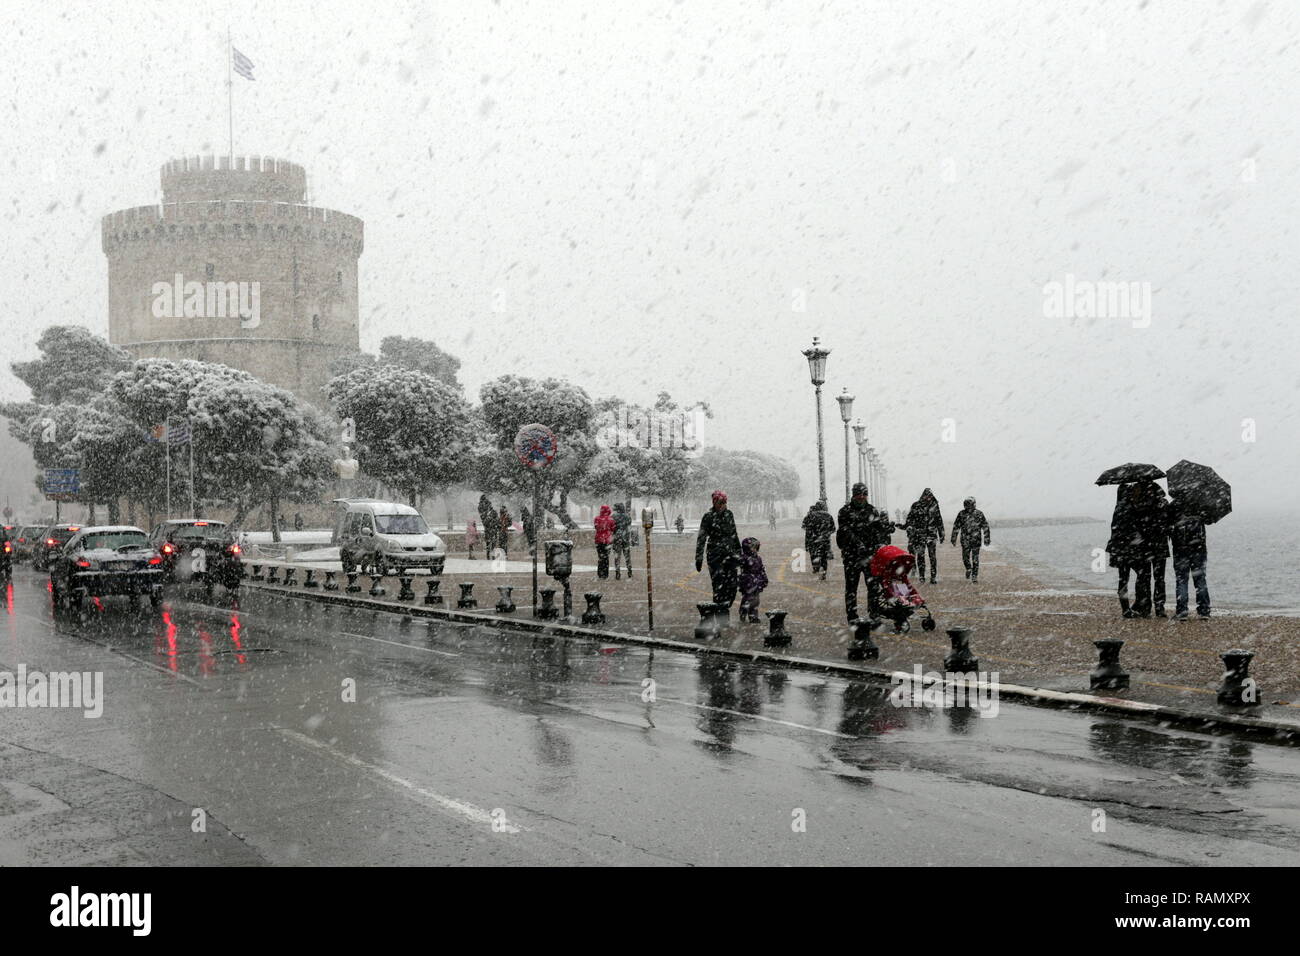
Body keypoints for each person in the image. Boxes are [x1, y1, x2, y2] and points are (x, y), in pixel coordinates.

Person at [836, 482, 896, 623]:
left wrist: (887, 528)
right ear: (853, 495)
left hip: (870, 555)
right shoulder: (844, 511)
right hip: (851, 555)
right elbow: (845, 530)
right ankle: (852, 616)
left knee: (873, 586)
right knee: (851, 587)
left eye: (864, 494)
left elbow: (877, 529)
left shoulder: (871, 510)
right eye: (858, 494)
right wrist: (858, 544)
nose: (861, 497)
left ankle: (874, 613)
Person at [695, 490, 742, 611]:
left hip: (731, 555)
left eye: (724, 502)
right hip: (715, 556)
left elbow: (734, 534)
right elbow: (701, 538)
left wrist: (739, 554)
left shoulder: (729, 514)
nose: (722, 505)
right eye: (720, 502)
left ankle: (725, 606)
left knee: (732, 585)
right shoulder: (708, 517)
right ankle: (720, 614)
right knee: (718, 585)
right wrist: (698, 558)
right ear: (714, 502)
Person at [1167, 495, 1211, 620]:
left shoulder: (1174, 505)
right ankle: (1204, 611)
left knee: (1181, 580)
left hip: (1181, 549)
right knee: (1200, 579)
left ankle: (1182, 611)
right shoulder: (1200, 503)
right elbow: (1209, 519)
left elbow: (1167, 523)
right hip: (1199, 548)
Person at [902, 489, 944, 584]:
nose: (928, 498)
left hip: (932, 535)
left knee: (932, 556)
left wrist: (941, 534)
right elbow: (910, 518)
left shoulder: (935, 506)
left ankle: (933, 577)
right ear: (923, 496)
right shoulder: (916, 505)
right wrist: (907, 526)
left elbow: (939, 520)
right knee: (920, 556)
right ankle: (922, 576)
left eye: (929, 496)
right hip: (919, 535)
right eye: (926, 496)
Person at [950, 497, 991, 583]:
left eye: (970, 505)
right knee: (966, 558)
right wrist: (953, 538)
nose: (969, 507)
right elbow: (956, 526)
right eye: (967, 505)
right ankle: (969, 568)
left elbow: (985, 526)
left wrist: (987, 538)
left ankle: (974, 575)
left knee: (974, 558)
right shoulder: (962, 514)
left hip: (975, 540)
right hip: (967, 540)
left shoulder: (979, 514)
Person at [801, 500, 835, 580]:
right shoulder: (828, 516)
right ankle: (824, 571)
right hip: (824, 540)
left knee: (813, 554)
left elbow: (804, 526)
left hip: (813, 539)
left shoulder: (810, 515)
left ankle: (815, 568)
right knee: (824, 556)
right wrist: (826, 533)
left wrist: (813, 531)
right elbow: (833, 529)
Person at [738, 537, 769, 623]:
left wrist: (764, 578)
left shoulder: (758, 558)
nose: (755, 550)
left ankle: (753, 616)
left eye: (756, 548)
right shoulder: (744, 558)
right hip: (748, 582)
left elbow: (761, 569)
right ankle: (743, 612)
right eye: (753, 547)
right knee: (748, 599)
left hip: (757, 582)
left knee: (756, 601)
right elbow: (740, 563)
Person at [612, 502, 633, 579]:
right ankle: (629, 571)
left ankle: (617, 572)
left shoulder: (613, 516)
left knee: (617, 556)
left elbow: (612, 527)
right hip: (625, 538)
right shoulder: (627, 516)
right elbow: (629, 524)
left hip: (617, 538)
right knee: (627, 556)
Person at [594, 504, 615, 579]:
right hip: (607, 541)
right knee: (606, 558)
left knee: (600, 557)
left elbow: (596, 527)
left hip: (598, 540)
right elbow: (613, 529)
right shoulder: (611, 519)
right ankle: (605, 574)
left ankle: (600, 573)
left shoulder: (597, 518)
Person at [478, 494, 498, 558]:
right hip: (489, 529)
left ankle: (491, 555)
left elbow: (497, 520)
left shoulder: (492, 512)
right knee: (489, 542)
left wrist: (492, 522)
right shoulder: (485, 513)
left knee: (492, 543)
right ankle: (489, 555)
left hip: (491, 529)